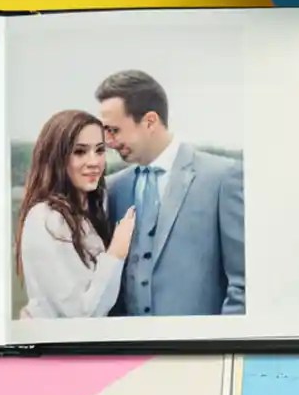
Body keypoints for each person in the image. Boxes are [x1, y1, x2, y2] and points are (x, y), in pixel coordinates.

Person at [95, 70, 245, 317]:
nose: (109, 141)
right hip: (129, 352)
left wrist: (219, 347)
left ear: (150, 121)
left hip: (199, 351)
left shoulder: (221, 177)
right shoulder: (112, 188)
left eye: (115, 130)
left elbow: (242, 284)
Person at [16, 110, 137, 319]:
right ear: (57, 158)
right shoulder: (46, 217)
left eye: (99, 151)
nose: (94, 162)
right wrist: (116, 253)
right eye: (80, 152)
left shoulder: (89, 211)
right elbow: (83, 314)